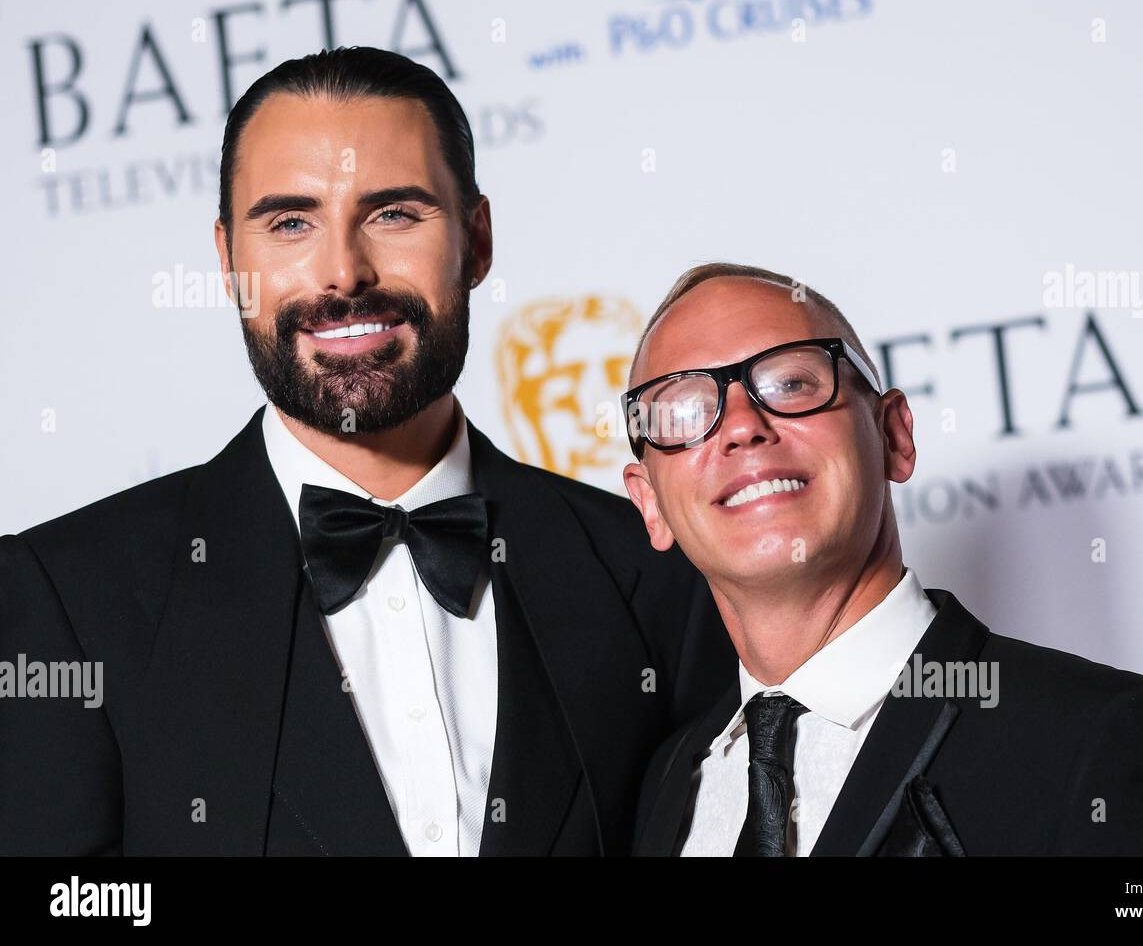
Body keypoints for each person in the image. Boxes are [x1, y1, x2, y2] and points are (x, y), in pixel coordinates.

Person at [0, 47, 733, 857]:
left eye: (393, 214)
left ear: (477, 240)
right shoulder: (66, 599)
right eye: (290, 223)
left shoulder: (657, 571)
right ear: (228, 261)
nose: (343, 272)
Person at [621, 262, 1143, 856]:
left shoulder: (1101, 737)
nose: (741, 425)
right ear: (650, 504)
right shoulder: (661, 786)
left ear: (895, 436)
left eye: (790, 382)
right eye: (683, 412)